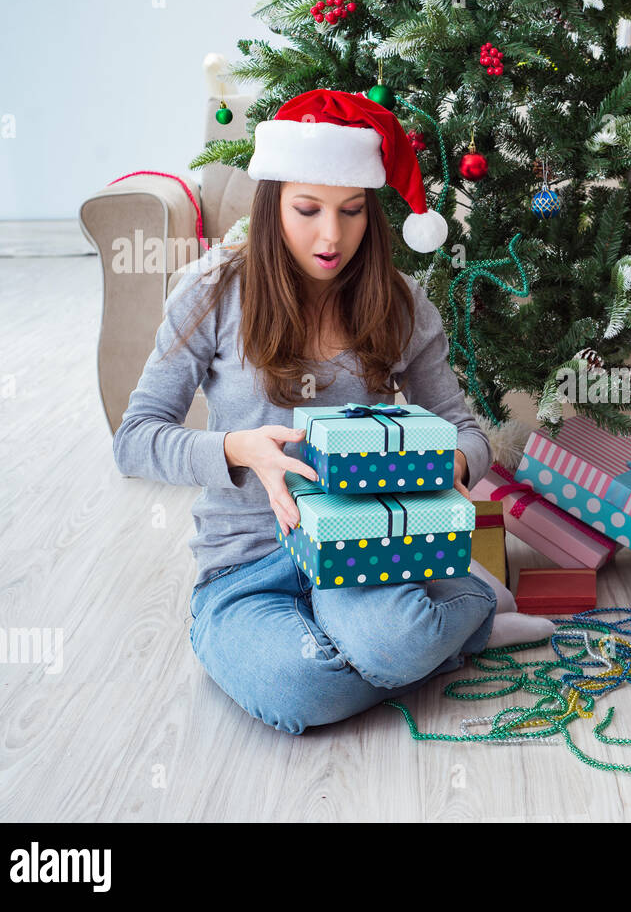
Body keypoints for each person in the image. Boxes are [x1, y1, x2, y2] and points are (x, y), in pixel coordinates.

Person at [113, 88, 551, 735]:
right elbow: (135, 439)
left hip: (365, 554)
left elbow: (464, 430)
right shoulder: (212, 293)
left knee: (388, 640)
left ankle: (457, 613)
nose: (331, 235)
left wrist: (452, 461)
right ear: (271, 204)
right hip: (246, 568)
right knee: (299, 688)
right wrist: (238, 450)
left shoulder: (400, 303)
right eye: (308, 209)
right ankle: (443, 635)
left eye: (351, 211)